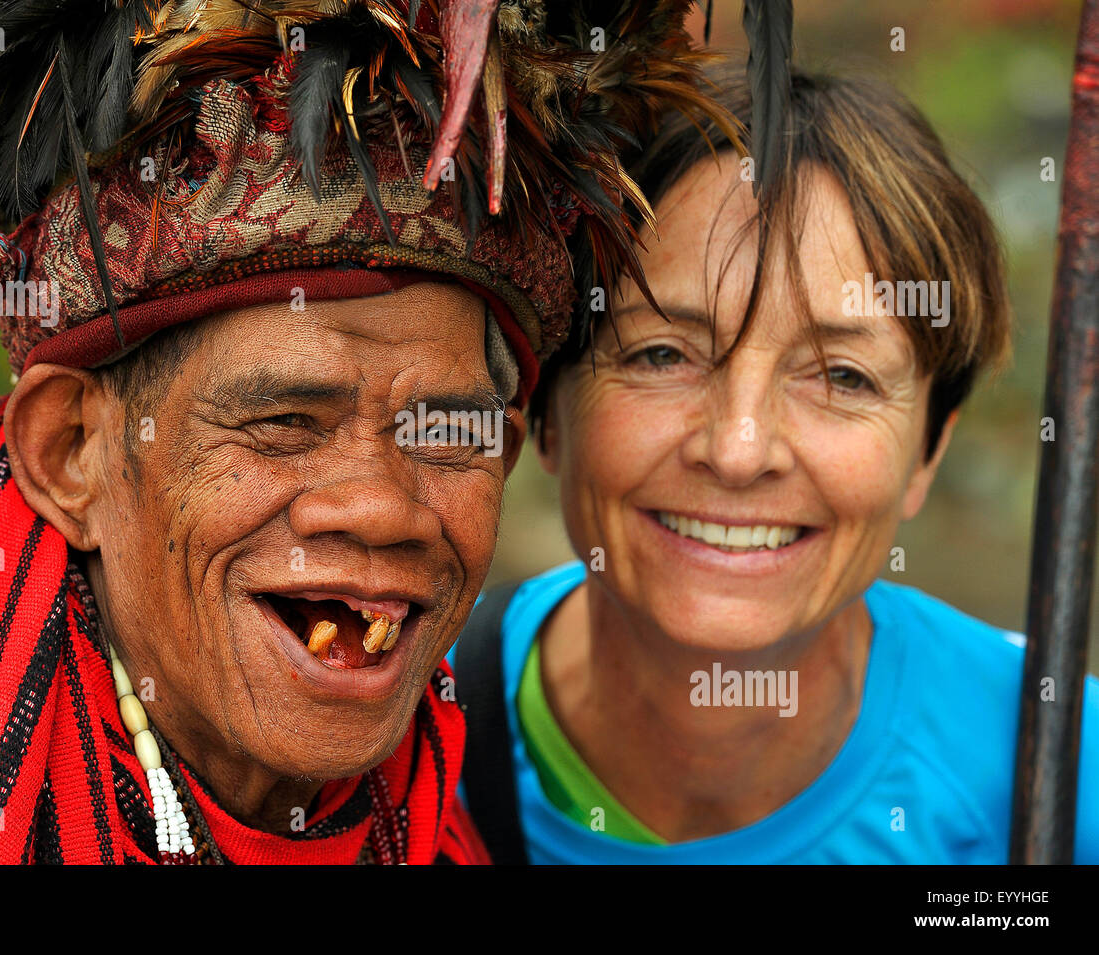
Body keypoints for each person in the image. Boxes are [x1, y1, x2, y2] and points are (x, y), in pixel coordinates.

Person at [0, 0, 727, 864]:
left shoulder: (478, 796)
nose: (378, 509)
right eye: (284, 422)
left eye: (445, 431)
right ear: (72, 452)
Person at [453, 65, 1099, 864]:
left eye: (841, 376)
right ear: (547, 411)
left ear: (929, 451)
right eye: (662, 354)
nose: (738, 449)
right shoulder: (382, 739)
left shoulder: (1061, 775)